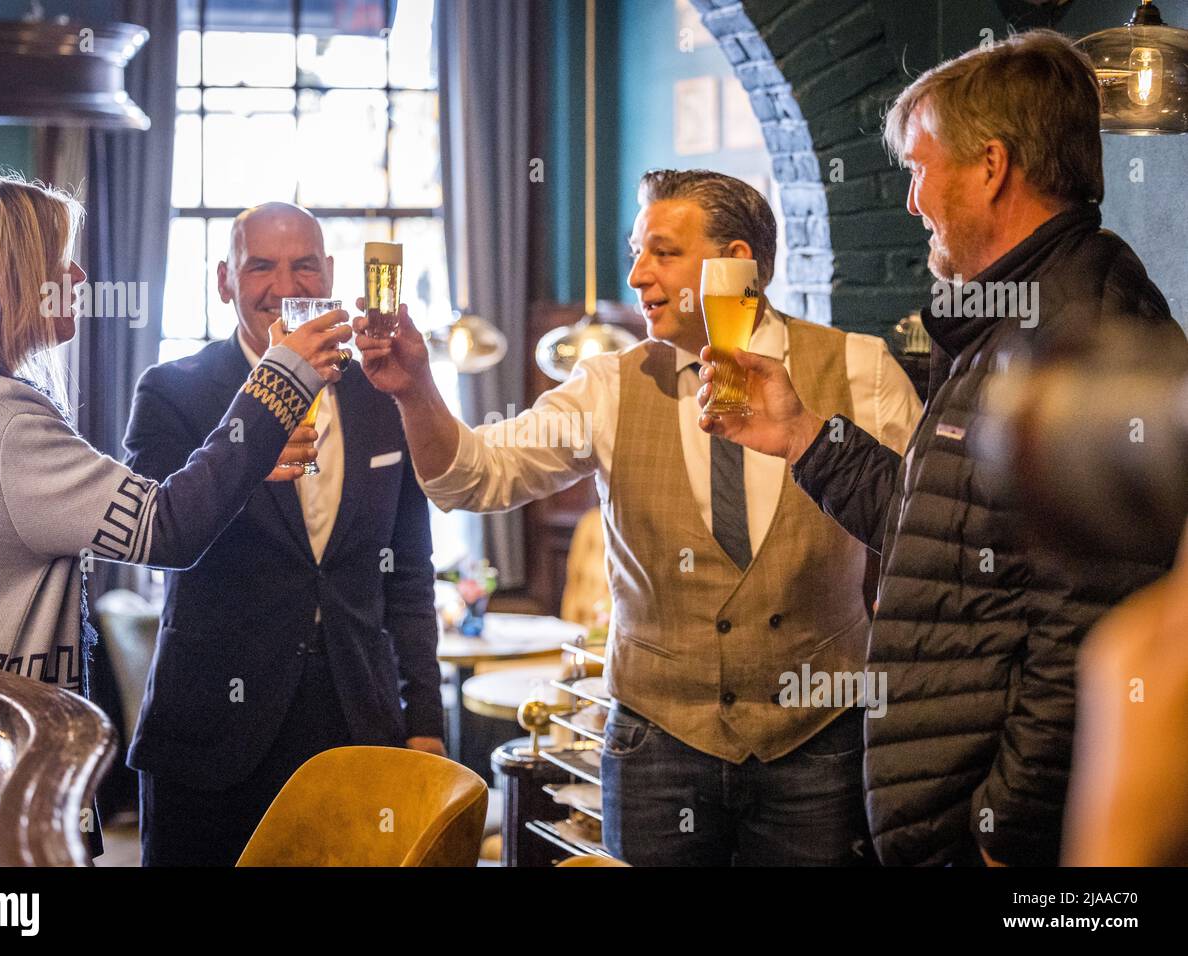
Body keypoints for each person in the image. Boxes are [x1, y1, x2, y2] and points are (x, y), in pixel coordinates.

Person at [697, 30, 1188, 866]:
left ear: (991, 167)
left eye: (921, 170)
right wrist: (803, 437)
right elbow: (950, 540)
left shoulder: (1080, 332)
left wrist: (1009, 824)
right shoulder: (1010, 318)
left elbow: (1093, 620)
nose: (913, 201)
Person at [356, 169, 922, 866]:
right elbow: (472, 478)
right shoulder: (608, 385)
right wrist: (416, 391)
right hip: (657, 745)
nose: (637, 274)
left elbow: (923, 534)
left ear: (735, 264)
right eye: (635, 251)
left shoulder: (859, 370)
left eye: (661, 251)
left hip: (820, 740)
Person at [0, 176, 346, 693]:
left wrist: (249, 451)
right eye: (60, 258)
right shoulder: (0, 417)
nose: (80, 275)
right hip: (0, 740)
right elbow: (166, 529)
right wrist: (281, 374)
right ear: (7, 277)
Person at [122, 202, 444, 867]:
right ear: (224, 280)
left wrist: (425, 723)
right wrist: (242, 467)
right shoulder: (173, 391)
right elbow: (152, 538)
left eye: (304, 265)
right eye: (260, 266)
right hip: (214, 733)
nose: (285, 286)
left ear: (328, 273)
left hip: (357, 722)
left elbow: (408, 573)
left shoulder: (383, 390)